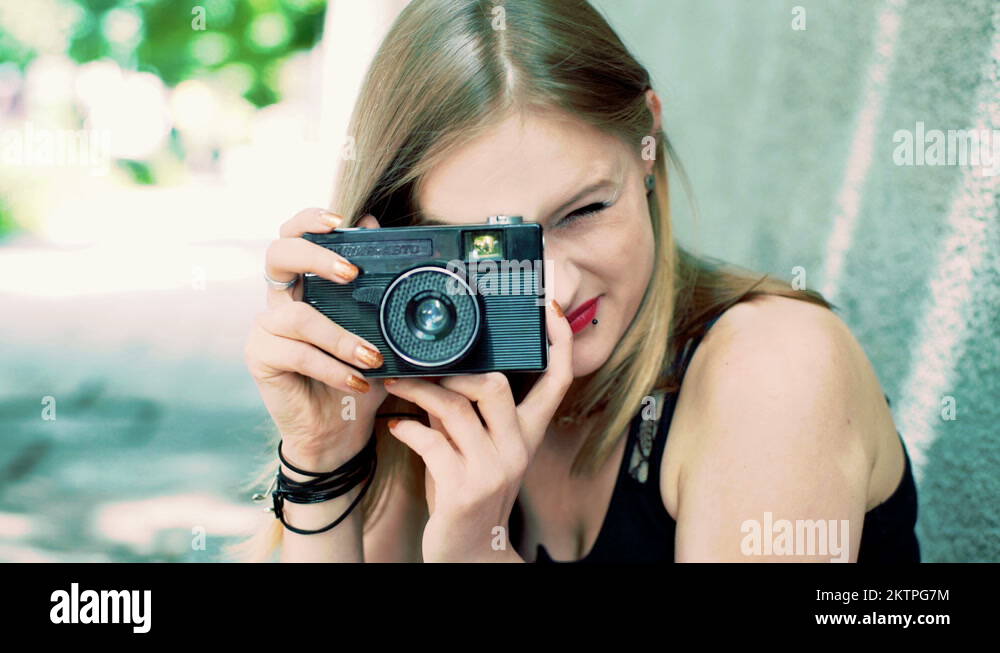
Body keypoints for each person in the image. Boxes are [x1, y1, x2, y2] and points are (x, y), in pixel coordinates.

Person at [228, 0, 920, 563]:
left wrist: (478, 555)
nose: (554, 287)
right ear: (414, 251)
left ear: (647, 143)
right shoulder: (440, 396)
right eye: (489, 249)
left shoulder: (774, 368)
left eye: (584, 210)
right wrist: (323, 466)